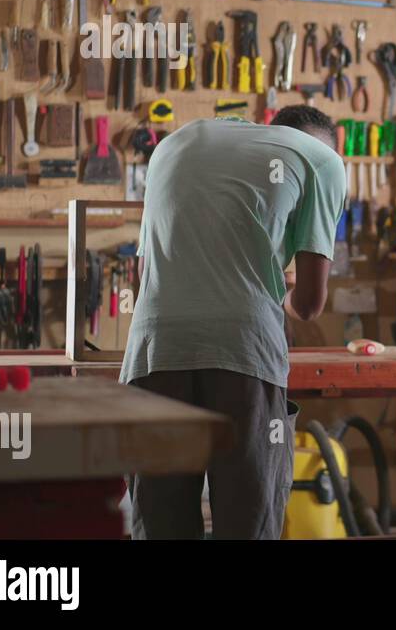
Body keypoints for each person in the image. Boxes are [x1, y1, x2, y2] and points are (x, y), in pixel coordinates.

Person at [121, 105, 347, 539]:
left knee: (161, 525)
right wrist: (276, 285)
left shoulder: (175, 143)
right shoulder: (324, 162)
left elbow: (143, 273)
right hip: (243, 356)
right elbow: (311, 304)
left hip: (154, 353)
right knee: (248, 522)